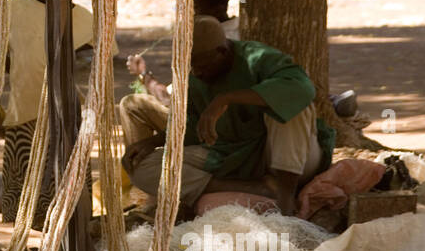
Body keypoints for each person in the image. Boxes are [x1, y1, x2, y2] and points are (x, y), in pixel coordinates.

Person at [125, 16, 333, 219]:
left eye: (203, 66)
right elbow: (190, 128)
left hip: (287, 157)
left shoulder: (258, 58)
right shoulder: (196, 78)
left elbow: (302, 89)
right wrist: (154, 141)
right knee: (143, 168)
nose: (197, 73)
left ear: (222, 52)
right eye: (192, 66)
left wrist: (225, 99)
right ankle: (259, 189)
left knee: (290, 105)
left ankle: (285, 195)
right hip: (232, 158)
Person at [0, 0, 104, 228]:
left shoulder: (83, 18)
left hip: (66, 113)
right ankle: (29, 240)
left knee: (67, 180)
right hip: (24, 111)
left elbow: (99, 56)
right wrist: (10, 64)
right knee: (25, 188)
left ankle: (68, 236)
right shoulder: (12, 11)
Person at [118, 0, 238, 145]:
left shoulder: (210, 43)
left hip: (208, 127)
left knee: (132, 105)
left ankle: (140, 167)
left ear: (218, 10)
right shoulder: (242, 29)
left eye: (195, 9)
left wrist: (145, 75)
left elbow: (169, 101)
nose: (189, 15)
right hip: (215, 122)